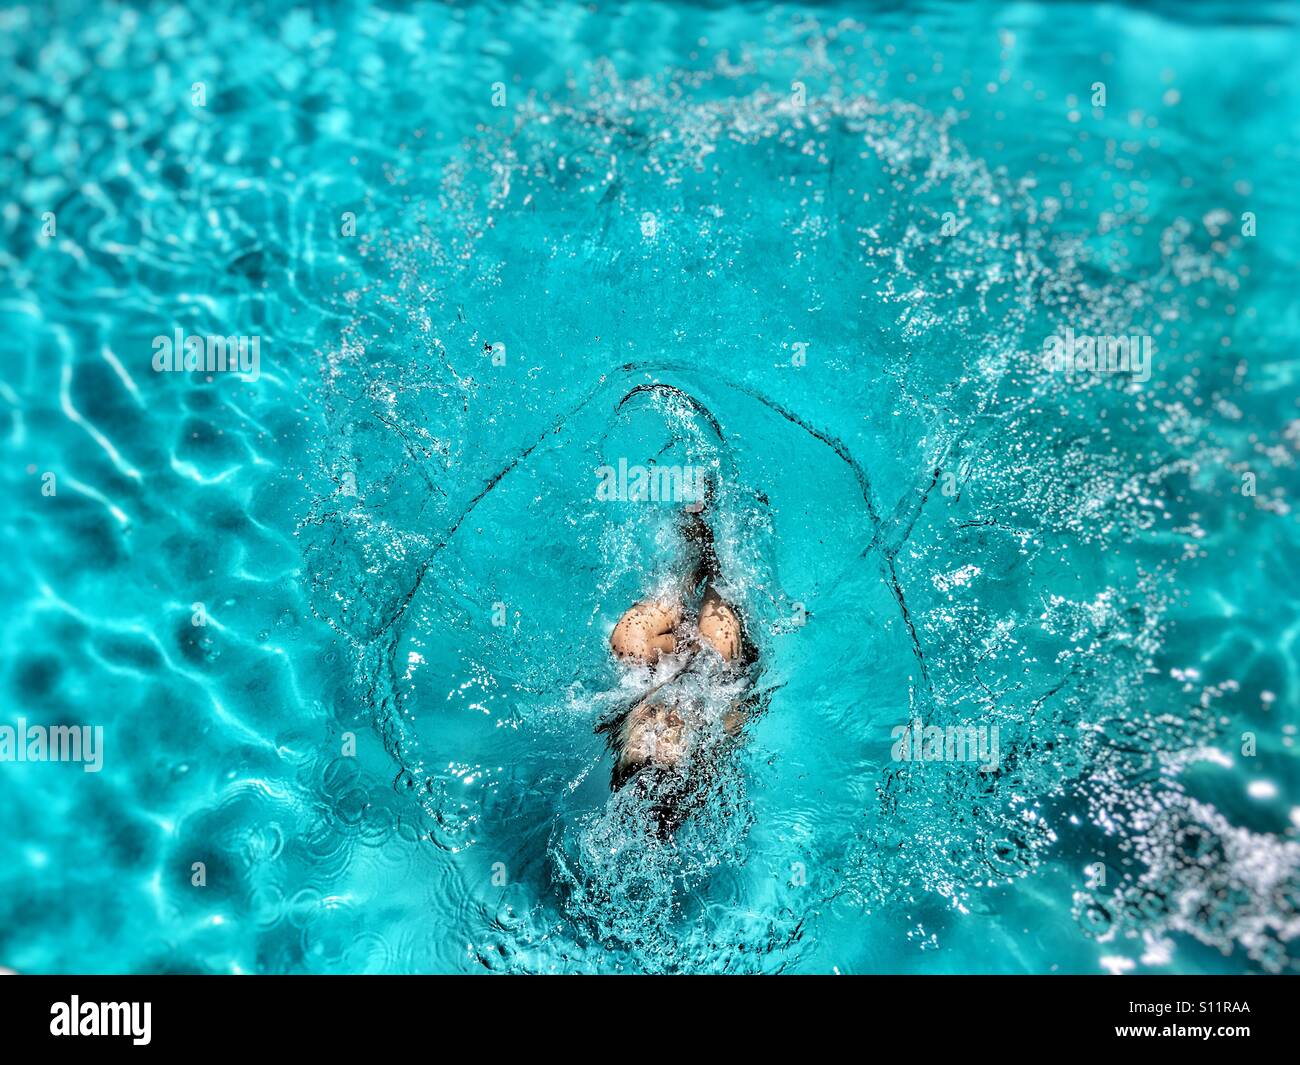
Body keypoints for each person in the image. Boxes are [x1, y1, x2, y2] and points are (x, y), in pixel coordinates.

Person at [598, 495, 757, 828]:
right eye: (670, 723)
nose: (662, 720)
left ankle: (691, 559)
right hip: (719, 673)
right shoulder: (713, 735)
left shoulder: (630, 727)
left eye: (650, 720)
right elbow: (745, 703)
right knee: (720, 644)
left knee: (628, 643)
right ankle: (719, 568)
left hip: (672, 664)